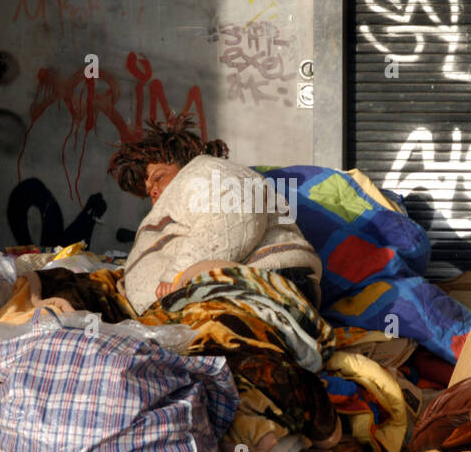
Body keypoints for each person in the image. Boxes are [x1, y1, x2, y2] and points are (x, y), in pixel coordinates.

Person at [108, 115, 323, 315]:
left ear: (183, 160)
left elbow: (236, 214)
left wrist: (176, 275)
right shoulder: (183, 197)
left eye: (159, 177)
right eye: (149, 192)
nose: (154, 191)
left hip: (273, 282)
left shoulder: (204, 171)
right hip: (247, 291)